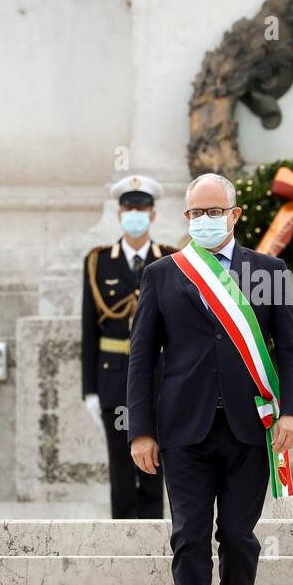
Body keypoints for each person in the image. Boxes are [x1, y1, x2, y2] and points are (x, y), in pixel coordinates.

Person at [126, 172, 293, 585]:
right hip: (183, 430)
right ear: (186, 218)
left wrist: (292, 413)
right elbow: (142, 359)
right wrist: (141, 430)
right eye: (195, 214)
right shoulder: (163, 273)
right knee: (188, 539)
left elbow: (291, 352)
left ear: (235, 214)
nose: (204, 221)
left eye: (213, 212)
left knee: (237, 535)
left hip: (251, 429)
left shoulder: (268, 271)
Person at [81, 175, 175, 518]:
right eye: (128, 207)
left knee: (155, 461)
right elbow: (89, 328)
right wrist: (89, 389)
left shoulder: (170, 259)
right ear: (120, 213)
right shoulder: (98, 262)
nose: (134, 214)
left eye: (142, 208)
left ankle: (152, 539)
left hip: (159, 376)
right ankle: (122, 539)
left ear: (152, 214)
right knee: (121, 465)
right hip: (113, 375)